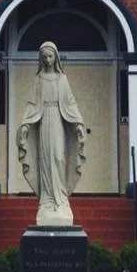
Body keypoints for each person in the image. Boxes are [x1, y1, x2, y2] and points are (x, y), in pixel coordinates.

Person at [17, 41, 86, 226]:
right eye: (45, 57)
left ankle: (61, 198)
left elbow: (70, 103)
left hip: (58, 121)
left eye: (50, 56)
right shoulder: (38, 80)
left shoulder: (62, 79)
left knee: (58, 158)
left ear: (56, 57)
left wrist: (78, 123)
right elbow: (32, 104)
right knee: (46, 160)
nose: (48, 60)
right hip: (44, 122)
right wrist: (25, 124)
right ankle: (47, 200)